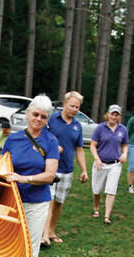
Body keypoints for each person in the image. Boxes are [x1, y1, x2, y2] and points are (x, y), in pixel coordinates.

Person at [2, 94, 59, 257]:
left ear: (47, 119)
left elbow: (50, 175)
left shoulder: (51, 141)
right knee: (7, 246)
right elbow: (3, 164)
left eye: (43, 117)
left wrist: (24, 179)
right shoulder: (13, 139)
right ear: (28, 114)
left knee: (30, 250)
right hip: (11, 200)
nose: (38, 119)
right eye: (35, 114)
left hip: (36, 202)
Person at [43, 91, 89, 247]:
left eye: (77, 107)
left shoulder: (77, 126)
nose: (74, 109)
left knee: (58, 202)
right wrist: (53, 147)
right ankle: (44, 236)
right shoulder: (52, 120)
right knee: (49, 201)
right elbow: (42, 138)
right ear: (64, 104)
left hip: (67, 170)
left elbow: (80, 150)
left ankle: (51, 231)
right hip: (50, 167)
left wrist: (84, 170)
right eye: (72, 106)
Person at [90, 104, 129, 225]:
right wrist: (97, 159)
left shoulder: (123, 129)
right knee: (96, 189)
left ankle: (107, 216)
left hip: (115, 164)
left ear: (119, 117)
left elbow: (125, 145)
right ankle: (96, 208)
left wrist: (124, 154)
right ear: (107, 115)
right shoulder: (100, 128)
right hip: (100, 163)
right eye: (112, 114)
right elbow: (93, 145)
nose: (114, 117)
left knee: (111, 190)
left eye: (116, 115)